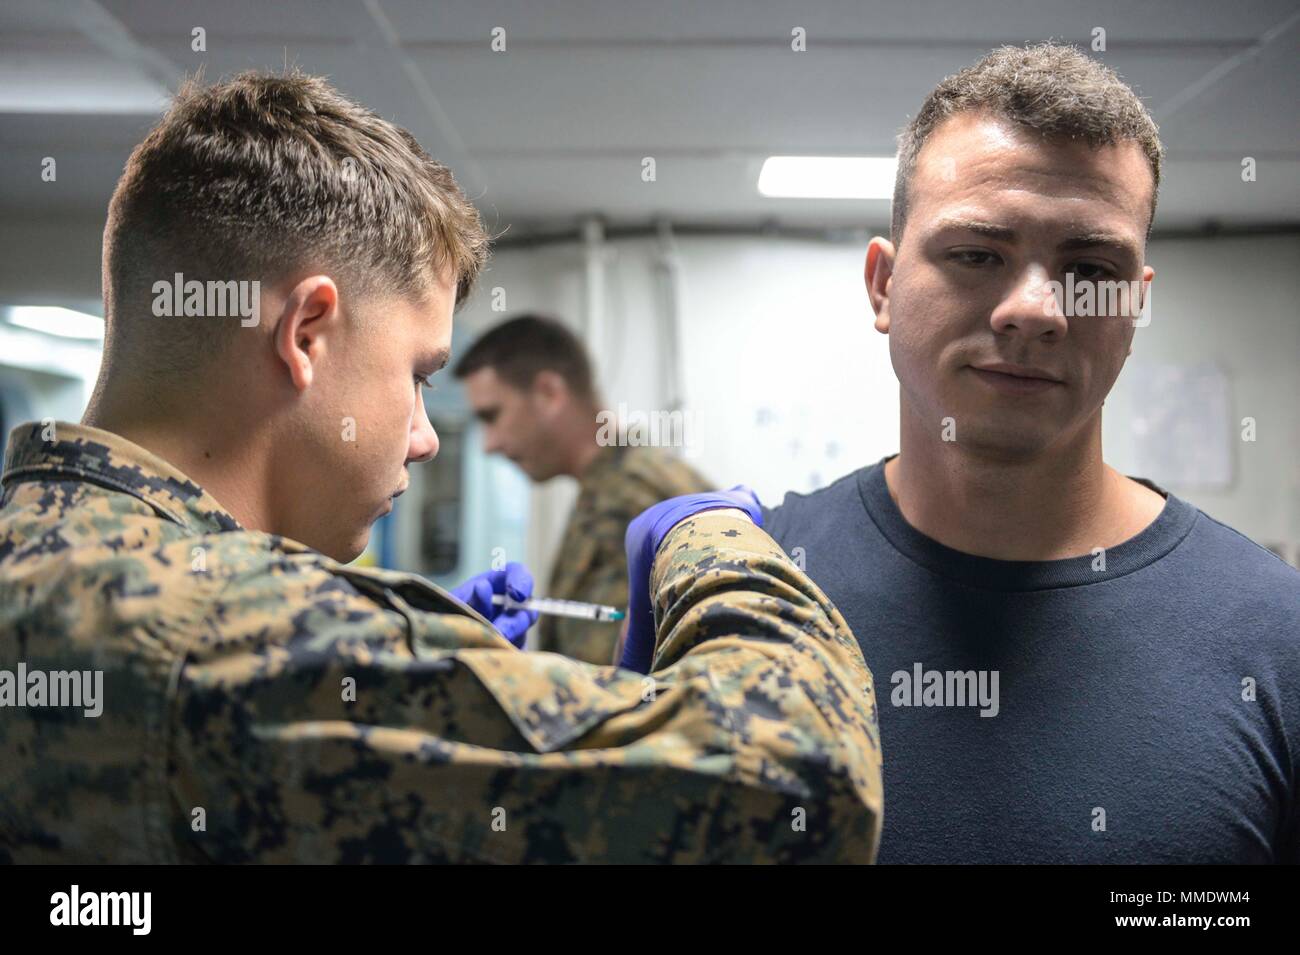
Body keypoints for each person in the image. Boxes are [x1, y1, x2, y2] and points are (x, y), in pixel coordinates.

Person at [0, 71, 882, 863]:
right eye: (417, 376)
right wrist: (714, 541)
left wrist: (441, 684)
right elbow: (801, 782)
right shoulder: (231, 630)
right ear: (306, 333)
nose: (429, 436)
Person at [752, 43, 1296, 862]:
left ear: (1134, 306)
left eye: (1090, 267)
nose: (1035, 309)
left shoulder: (1273, 633)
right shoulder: (752, 587)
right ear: (883, 286)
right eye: (977, 254)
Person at [454, 315, 712, 664]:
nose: (489, 444)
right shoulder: (612, 485)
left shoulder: (633, 496)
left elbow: (609, 679)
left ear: (549, 393)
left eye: (492, 416)